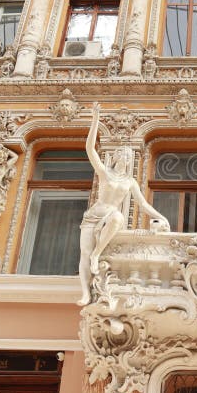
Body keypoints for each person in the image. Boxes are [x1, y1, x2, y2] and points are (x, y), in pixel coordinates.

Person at [79, 103, 170, 306]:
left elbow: (143, 204)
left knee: (118, 218)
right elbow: (90, 149)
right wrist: (95, 119)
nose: (126, 158)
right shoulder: (105, 173)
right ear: (117, 157)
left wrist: (161, 217)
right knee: (84, 253)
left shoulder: (129, 181)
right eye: (123, 154)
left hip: (110, 216)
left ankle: (97, 253)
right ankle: (85, 292)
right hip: (93, 215)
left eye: (129, 156)